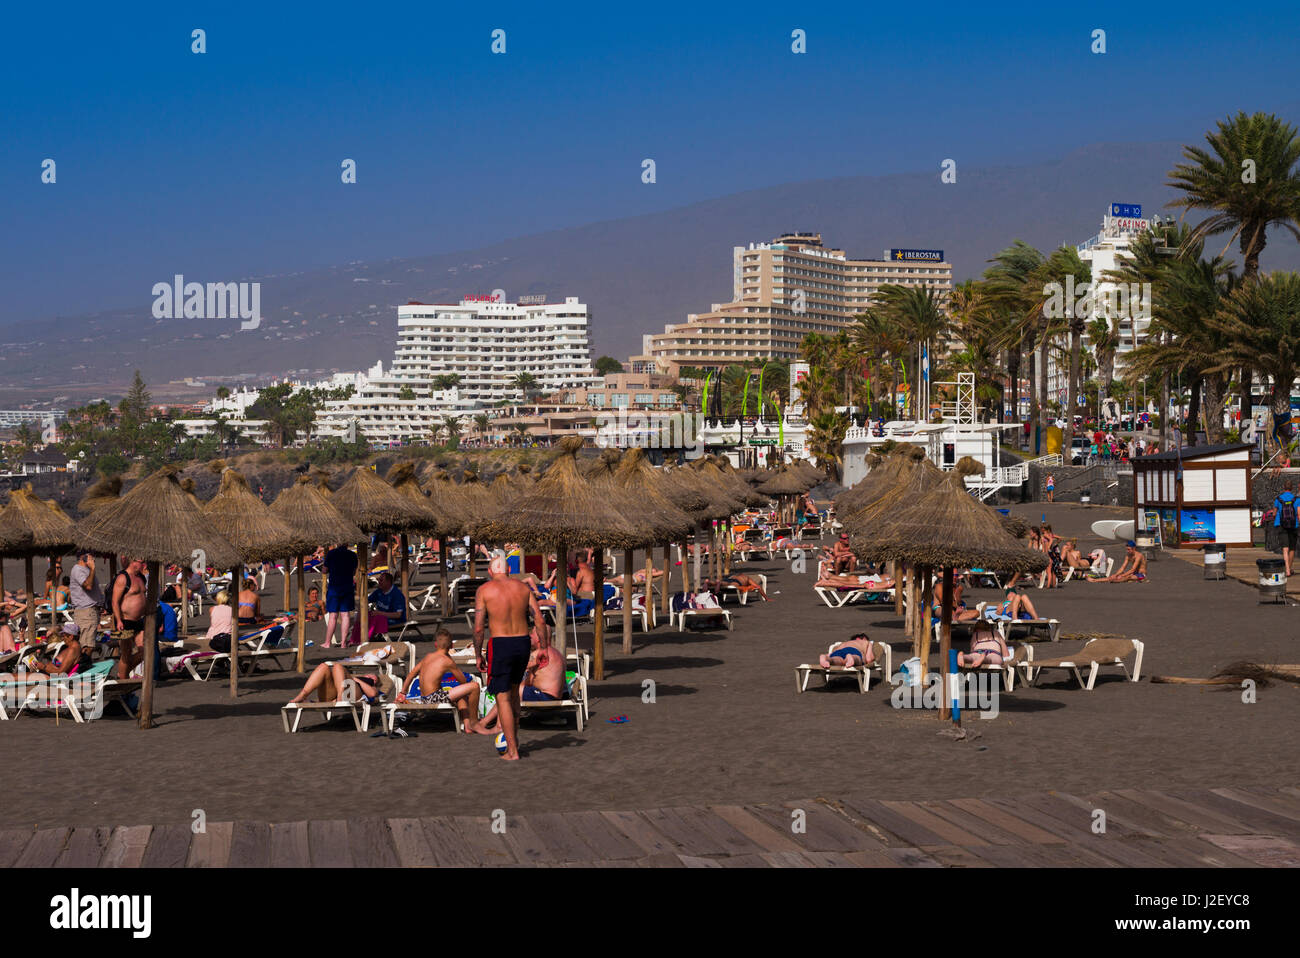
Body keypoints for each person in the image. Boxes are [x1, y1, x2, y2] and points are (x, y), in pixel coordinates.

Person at [471, 555, 548, 760]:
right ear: (509, 570)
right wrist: (544, 649)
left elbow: (479, 628)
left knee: (503, 697)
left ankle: (512, 751)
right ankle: (515, 742)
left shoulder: (485, 590)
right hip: (522, 642)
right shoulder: (523, 589)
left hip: (501, 644)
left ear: (490, 571)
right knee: (514, 693)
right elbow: (539, 620)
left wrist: (478, 654)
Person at [474, 627, 566, 734]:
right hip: (553, 695)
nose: (530, 636)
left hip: (545, 697)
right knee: (513, 688)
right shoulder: (555, 652)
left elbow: (517, 667)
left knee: (506, 691)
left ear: (540, 638)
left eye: (532, 634)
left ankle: (487, 722)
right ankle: (496, 720)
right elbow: (530, 680)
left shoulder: (539, 654)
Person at [397, 628, 480, 729]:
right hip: (434, 698)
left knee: (460, 697)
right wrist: (451, 660)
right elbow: (463, 681)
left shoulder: (427, 656)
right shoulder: (447, 661)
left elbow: (411, 674)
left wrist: (403, 692)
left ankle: (467, 726)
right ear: (452, 646)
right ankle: (475, 723)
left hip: (424, 698)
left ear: (435, 645)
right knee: (475, 686)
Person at [1, 621, 83, 683]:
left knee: (8, 677)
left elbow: (61, 673)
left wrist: (43, 667)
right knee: (11, 676)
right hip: (45, 674)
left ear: (71, 636)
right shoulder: (73, 648)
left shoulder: (72, 650)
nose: (62, 638)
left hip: (49, 678)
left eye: (64, 635)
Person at [111, 557, 148, 680]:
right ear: (133, 561)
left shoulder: (141, 577)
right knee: (126, 654)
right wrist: (119, 620)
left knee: (145, 651)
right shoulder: (122, 578)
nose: (143, 564)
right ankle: (123, 679)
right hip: (124, 620)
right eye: (141, 562)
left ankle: (123, 674)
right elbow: (115, 602)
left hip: (139, 620)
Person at [287, 660, 382, 707]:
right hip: (332, 695)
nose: (371, 677)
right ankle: (303, 694)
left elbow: (372, 694)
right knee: (324, 666)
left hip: (353, 695)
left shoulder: (369, 684)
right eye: (369, 675)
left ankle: (340, 697)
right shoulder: (351, 677)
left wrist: (356, 680)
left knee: (338, 666)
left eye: (374, 678)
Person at [348, 571, 407, 644]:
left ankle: (365, 639)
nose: (379, 582)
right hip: (382, 617)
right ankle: (355, 639)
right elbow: (365, 601)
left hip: (396, 620)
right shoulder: (379, 591)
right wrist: (361, 611)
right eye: (378, 580)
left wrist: (380, 613)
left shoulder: (397, 595)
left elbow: (398, 615)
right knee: (364, 616)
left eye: (381, 580)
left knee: (376, 618)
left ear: (388, 582)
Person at [322, 543, 358, 649]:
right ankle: (343, 642)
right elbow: (354, 572)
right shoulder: (352, 555)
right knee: (345, 615)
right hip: (347, 587)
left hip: (334, 587)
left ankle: (327, 642)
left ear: (337, 543)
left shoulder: (331, 553)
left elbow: (324, 570)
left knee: (333, 616)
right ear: (347, 543)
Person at [68, 552, 104, 650]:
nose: (94, 558)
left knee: (89, 643)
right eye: (91, 556)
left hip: (91, 612)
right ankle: (83, 665)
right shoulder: (78, 570)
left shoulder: (86, 570)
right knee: (87, 645)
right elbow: (88, 585)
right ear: (83, 557)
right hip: (86, 612)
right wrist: (92, 569)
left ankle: (85, 664)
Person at [1273, 479, 1299, 577]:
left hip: (1281, 525)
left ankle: (1287, 570)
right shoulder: (1297, 499)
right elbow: (1299, 514)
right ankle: (1290, 568)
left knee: (1285, 549)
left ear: (1284, 488)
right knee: (1292, 548)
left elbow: (1275, 513)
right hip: (1294, 525)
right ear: (1291, 488)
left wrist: (1274, 515)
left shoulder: (1278, 499)